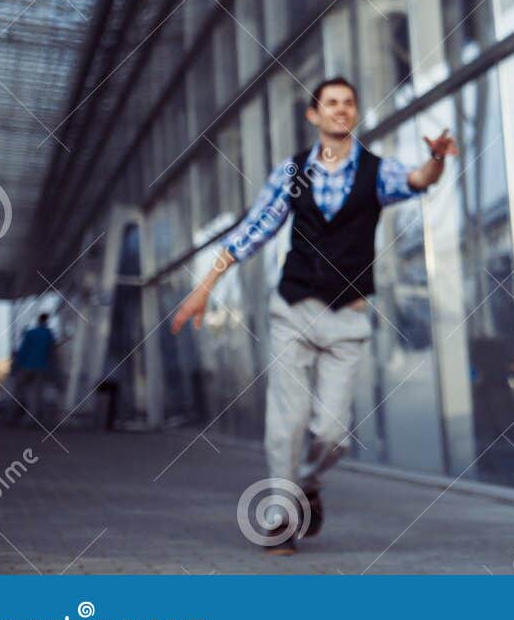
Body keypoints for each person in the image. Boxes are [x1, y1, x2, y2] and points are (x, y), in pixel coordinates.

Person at [171, 77, 454, 554]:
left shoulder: (376, 172)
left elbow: (420, 181)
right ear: (314, 116)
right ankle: (280, 519)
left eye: (349, 103)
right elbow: (251, 232)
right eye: (331, 104)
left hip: (347, 319)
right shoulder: (292, 173)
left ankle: (307, 483)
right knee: (288, 421)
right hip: (293, 312)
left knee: (332, 433)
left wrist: (438, 157)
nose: (341, 110)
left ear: (355, 113)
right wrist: (204, 288)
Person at [10, 313, 58, 429]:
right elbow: (51, 354)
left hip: (26, 366)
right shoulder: (49, 334)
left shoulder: (30, 333)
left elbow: (23, 350)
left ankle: (13, 416)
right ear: (47, 321)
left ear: (38, 320)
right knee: (37, 394)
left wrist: (15, 367)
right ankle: (32, 419)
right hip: (41, 367)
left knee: (18, 390)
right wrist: (53, 370)